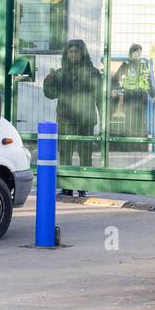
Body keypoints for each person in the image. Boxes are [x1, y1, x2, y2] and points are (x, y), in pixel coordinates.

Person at [43, 38, 102, 197]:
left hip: (86, 120)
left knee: (85, 154)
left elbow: (100, 99)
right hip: (66, 120)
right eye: (70, 51)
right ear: (66, 54)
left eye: (76, 51)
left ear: (83, 53)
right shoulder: (60, 73)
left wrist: (104, 122)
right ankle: (67, 187)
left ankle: (83, 186)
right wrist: (48, 83)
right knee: (65, 154)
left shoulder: (94, 73)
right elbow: (51, 95)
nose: (73, 54)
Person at [112, 43, 154, 149]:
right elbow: (115, 77)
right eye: (136, 52)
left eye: (140, 52)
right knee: (130, 119)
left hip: (141, 95)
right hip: (129, 96)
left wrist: (152, 93)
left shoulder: (143, 64)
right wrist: (115, 89)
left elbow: (148, 79)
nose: (138, 54)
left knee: (141, 120)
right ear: (131, 52)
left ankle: (140, 146)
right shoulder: (126, 64)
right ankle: (128, 145)